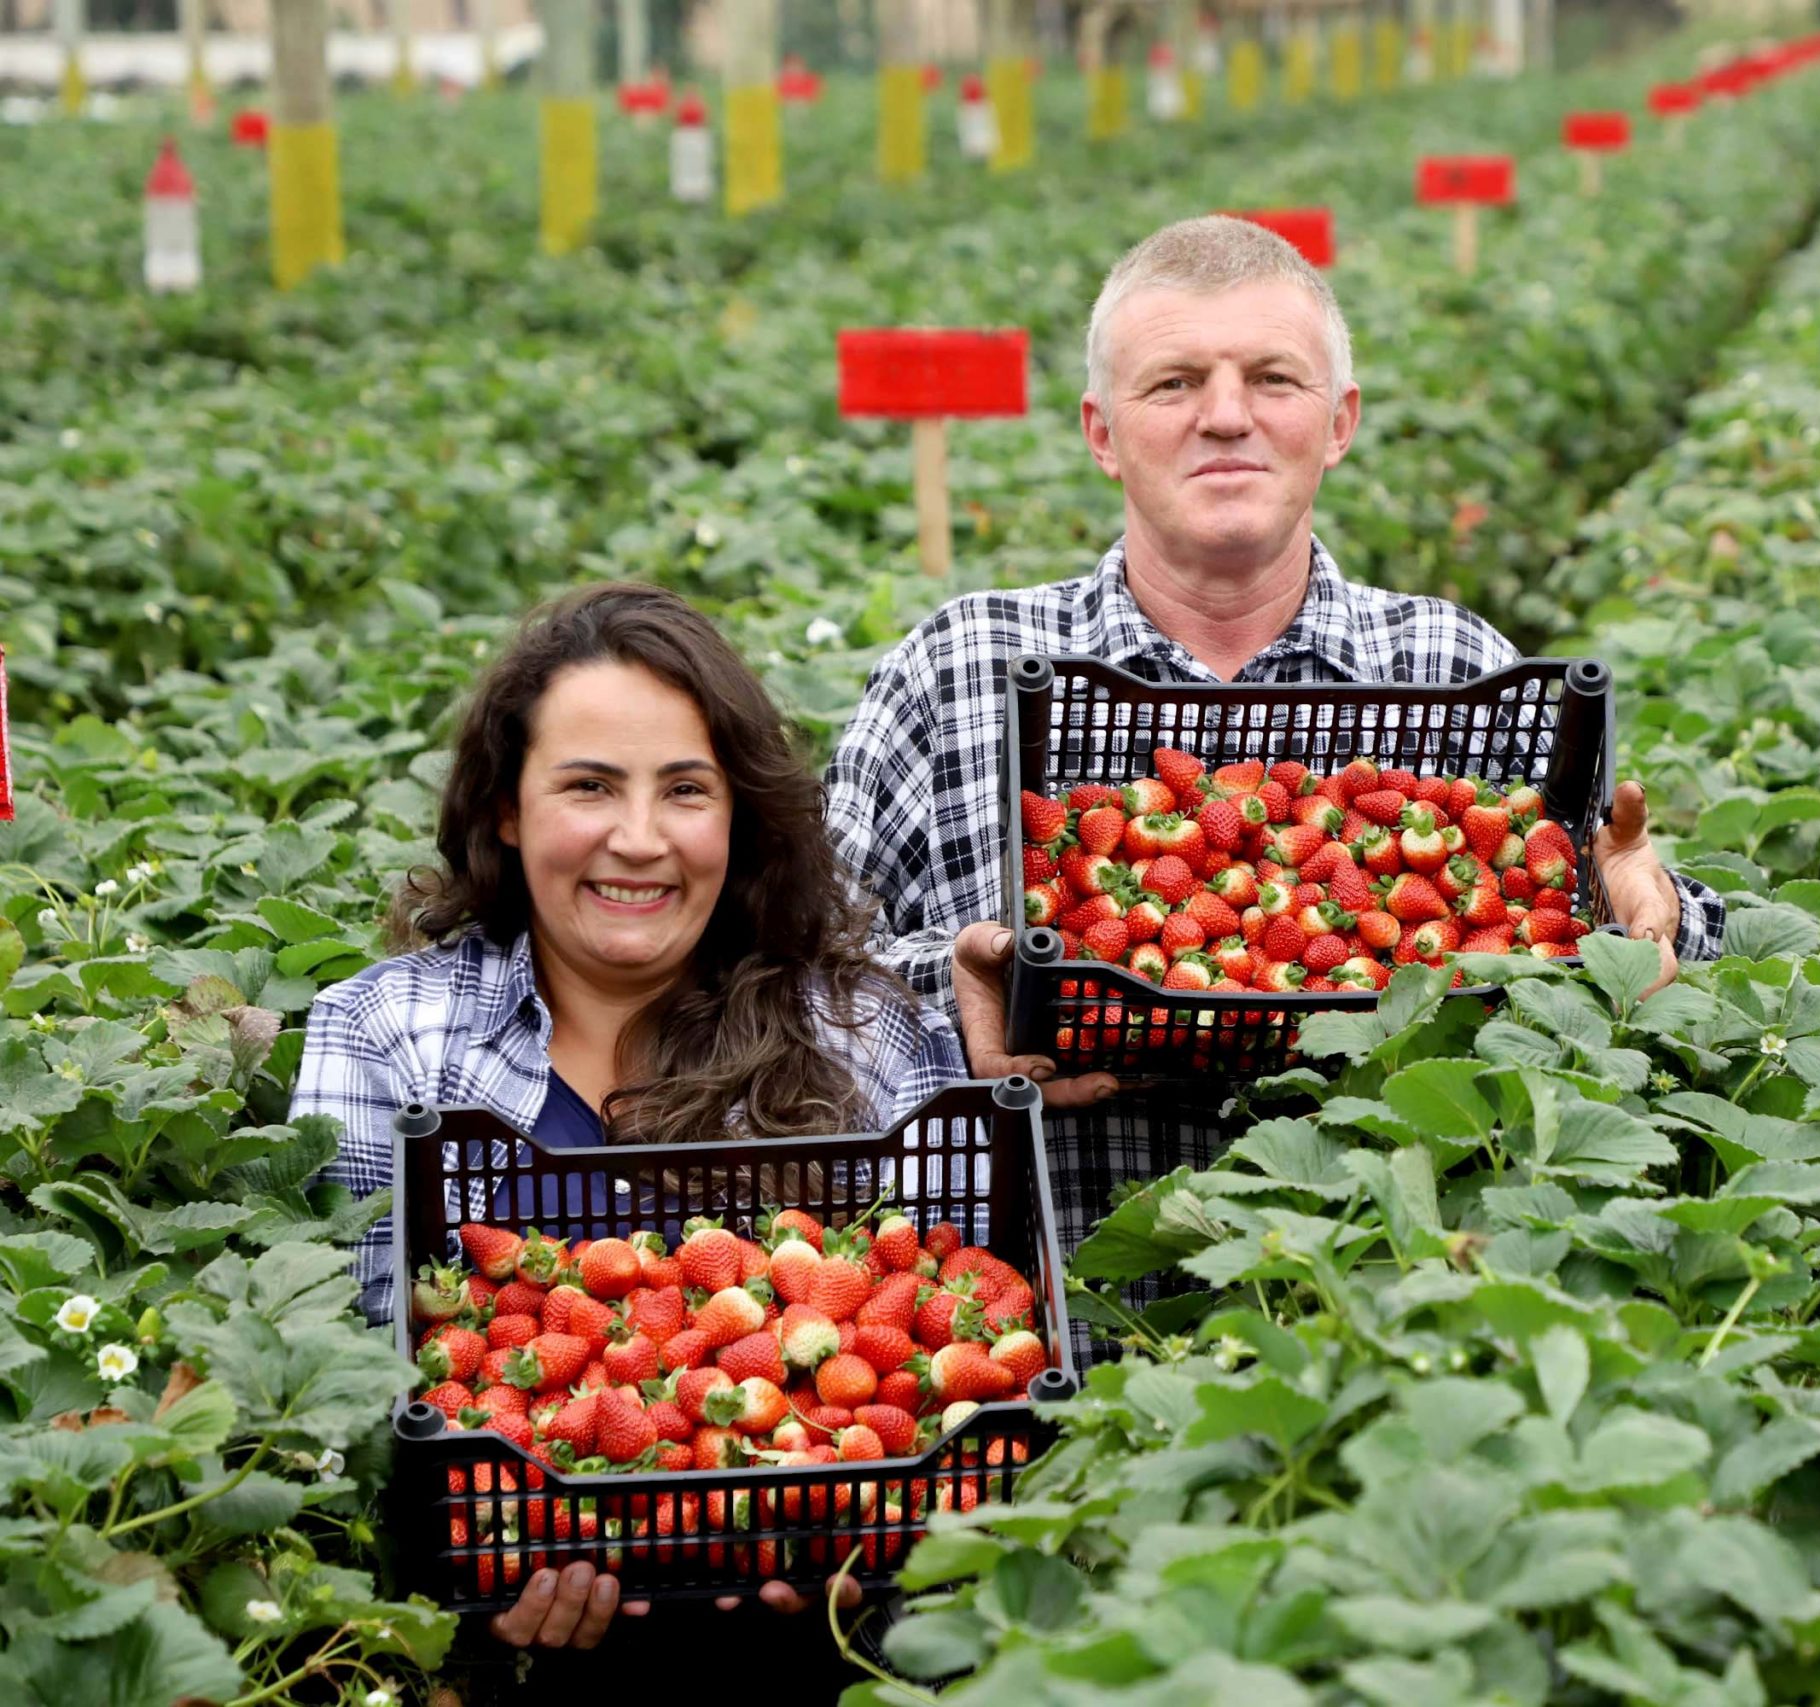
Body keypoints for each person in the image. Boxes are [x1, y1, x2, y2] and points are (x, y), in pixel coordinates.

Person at [824, 216, 1725, 1253]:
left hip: (1378, 1316)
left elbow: (1619, 945)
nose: (1224, 417)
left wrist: (1646, 921)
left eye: (1272, 380)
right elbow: (784, 982)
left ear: (1337, 422)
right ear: (1101, 432)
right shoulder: (958, 672)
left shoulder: (1457, 670)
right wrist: (956, 991)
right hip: (1032, 1327)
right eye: (1172, 384)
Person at [296, 582, 960, 1651]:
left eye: (686, 790)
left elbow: (929, 1335)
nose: (640, 839)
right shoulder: (388, 1038)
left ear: (738, 813)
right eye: (589, 787)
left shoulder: (857, 1029)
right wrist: (477, 1567)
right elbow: (357, 1391)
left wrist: (865, 1539)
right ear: (506, 810)